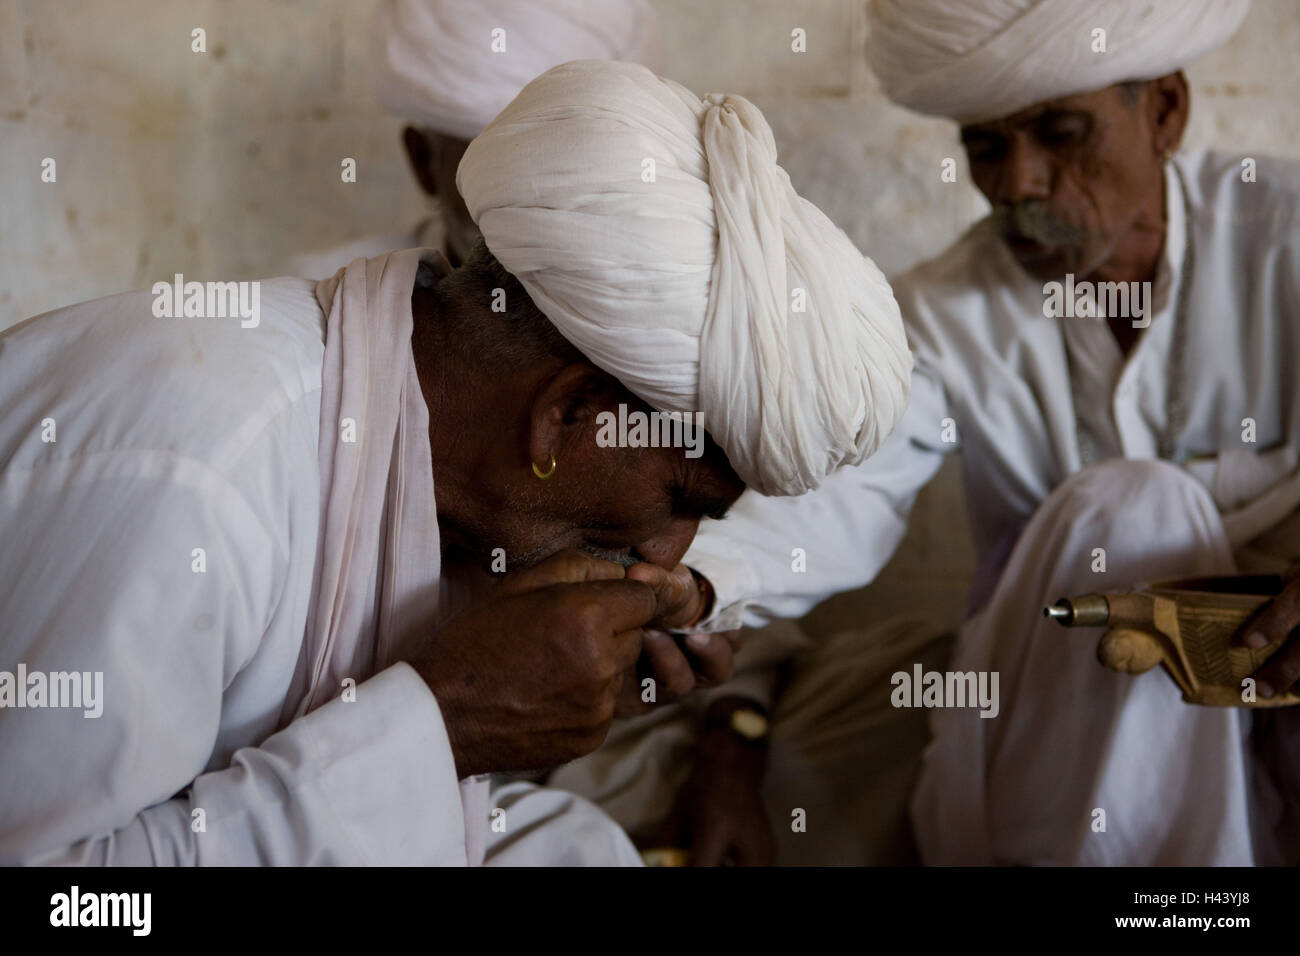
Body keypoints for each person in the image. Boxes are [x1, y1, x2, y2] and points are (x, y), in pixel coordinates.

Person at [0, 59, 912, 866]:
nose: (668, 555)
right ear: (567, 414)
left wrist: (500, 687)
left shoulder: (397, 445)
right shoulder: (205, 463)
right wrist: (442, 726)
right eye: (682, 499)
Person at [663, 0, 1300, 865]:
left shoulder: (1284, 235)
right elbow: (833, 498)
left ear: (1165, 112)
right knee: (1135, 509)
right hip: (1052, 739)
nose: (1019, 184)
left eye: (1060, 133)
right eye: (988, 148)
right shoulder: (938, 313)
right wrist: (695, 589)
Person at [286, 0, 659, 277]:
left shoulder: (656, 303)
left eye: (558, 165)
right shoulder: (329, 302)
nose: (529, 201)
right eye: (492, 167)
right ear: (423, 164)